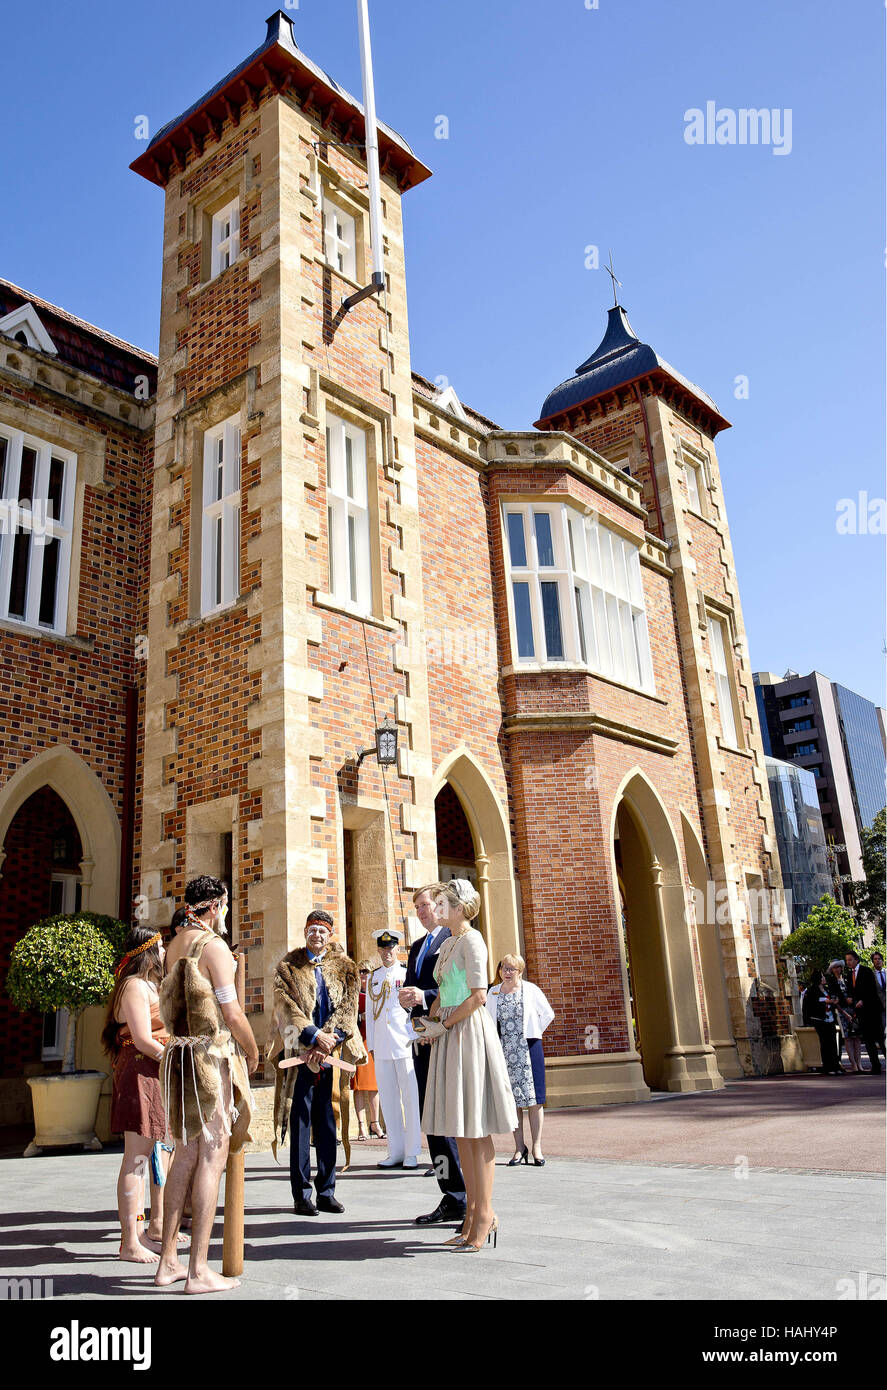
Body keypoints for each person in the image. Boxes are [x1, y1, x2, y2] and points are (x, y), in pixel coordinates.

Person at [155, 876, 259, 1294]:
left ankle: (167, 1263)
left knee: (183, 1156)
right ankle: (198, 1270)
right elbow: (231, 1013)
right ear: (215, 905)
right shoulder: (213, 946)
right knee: (212, 1159)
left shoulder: (174, 943)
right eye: (226, 906)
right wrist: (252, 1052)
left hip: (177, 1055)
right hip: (206, 1057)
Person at [419, 879, 518, 1252]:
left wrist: (442, 1024)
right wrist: (428, 1020)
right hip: (449, 1035)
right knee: (461, 1130)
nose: (437, 908)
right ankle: (470, 1214)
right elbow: (448, 992)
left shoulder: (473, 941)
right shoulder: (448, 943)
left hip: (468, 1036)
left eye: (443, 903)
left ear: (459, 907)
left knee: (477, 1129)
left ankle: (485, 1213)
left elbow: (477, 996)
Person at [272, 909, 364, 1216]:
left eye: (322, 931)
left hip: (331, 1055)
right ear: (305, 932)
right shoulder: (288, 965)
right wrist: (311, 1036)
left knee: (328, 1121)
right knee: (300, 1122)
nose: (317, 935)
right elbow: (286, 1006)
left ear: (330, 935)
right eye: (312, 930)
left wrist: (330, 1039)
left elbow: (349, 1008)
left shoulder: (346, 967)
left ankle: (327, 1190)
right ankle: (302, 1194)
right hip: (300, 1053)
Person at [398, 883, 467, 1228]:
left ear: (442, 904)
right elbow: (413, 987)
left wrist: (423, 997)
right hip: (423, 1040)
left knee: (450, 1118)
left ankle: (466, 1195)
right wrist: (411, 1008)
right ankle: (450, 1193)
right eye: (419, 907)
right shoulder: (416, 947)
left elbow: (460, 988)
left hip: (447, 1037)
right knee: (432, 1123)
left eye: (426, 905)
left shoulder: (453, 940)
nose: (423, 912)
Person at [102, 925, 171, 1262]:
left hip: (150, 1073)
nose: (164, 952)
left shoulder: (147, 985)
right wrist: (174, 1057)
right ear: (148, 950)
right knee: (137, 1159)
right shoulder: (133, 986)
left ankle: (139, 1232)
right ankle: (129, 1241)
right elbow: (143, 1039)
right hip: (139, 1072)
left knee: (144, 1158)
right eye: (160, 947)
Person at [486, 954, 555, 1165]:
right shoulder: (494, 992)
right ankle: (519, 1147)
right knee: (512, 1100)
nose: (506, 972)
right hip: (504, 1051)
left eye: (511, 969)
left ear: (520, 972)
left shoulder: (531, 990)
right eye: (503, 968)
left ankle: (536, 1147)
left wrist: (534, 1032)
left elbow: (548, 1014)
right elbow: (488, 1021)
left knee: (534, 1101)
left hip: (528, 1049)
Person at [365, 929, 422, 1169]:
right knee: (388, 1099)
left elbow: (414, 1010)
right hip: (382, 1043)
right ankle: (395, 1151)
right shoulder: (373, 977)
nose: (387, 952)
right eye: (383, 948)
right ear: (378, 950)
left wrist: (416, 1036)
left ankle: (412, 1151)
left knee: (410, 1099)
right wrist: (372, 1044)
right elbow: (370, 1013)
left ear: (397, 949)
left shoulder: (406, 973)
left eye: (391, 948)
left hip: (404, 1042)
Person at [352, 960, 385, 1140]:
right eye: (361, 972)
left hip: (374, 1041)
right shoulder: (354, 995)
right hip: (359, 1041)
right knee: (358, 1086)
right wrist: (359, 1016)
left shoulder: (376, 994)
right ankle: (362, 1126)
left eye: (367, 971)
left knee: (373, 1086)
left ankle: (375, 1123)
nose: (364, 975)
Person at [844, 951, 883, 1074]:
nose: (848, 962)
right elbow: (851, 990)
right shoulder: (850, 975)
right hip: (861, 1012)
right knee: (868, 1040)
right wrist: (850, 999)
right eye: (847, 960)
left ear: (856, 960)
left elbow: (872, 990)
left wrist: (863, 1000)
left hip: (872, 1010)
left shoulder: (866, 971)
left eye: (850, 960)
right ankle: (875, 1066)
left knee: (880, 1038)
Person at [801, 968, 841, 1074]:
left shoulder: (827, 989)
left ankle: (836, 1066)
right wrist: (825, 1001)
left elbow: (832, 997)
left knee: (833, 1043)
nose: (824, 979)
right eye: (822, 977)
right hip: (820, 1020)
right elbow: (811, 1004)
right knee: (825, 1043)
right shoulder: (811, 991)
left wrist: (834, 1001)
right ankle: (828, 1067)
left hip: (830, 1018)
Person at [826, 960, 858, 1072]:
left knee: (857, 1037)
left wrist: (853, 1003)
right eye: (835, 968)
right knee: (848, 1037)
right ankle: (853, 1063)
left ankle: (859, 1063)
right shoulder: (831, 982)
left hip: (853, 1009)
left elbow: (853, 992)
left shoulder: (847, 978)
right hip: (842, 1011)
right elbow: (835, 1000)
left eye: (839, 967)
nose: (838, 970)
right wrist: (844, 1008)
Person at [871, 951, 886, 1054]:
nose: (877, 961)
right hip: (879, 1008)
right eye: (875, 959)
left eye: (879, 959)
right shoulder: (871, 975)